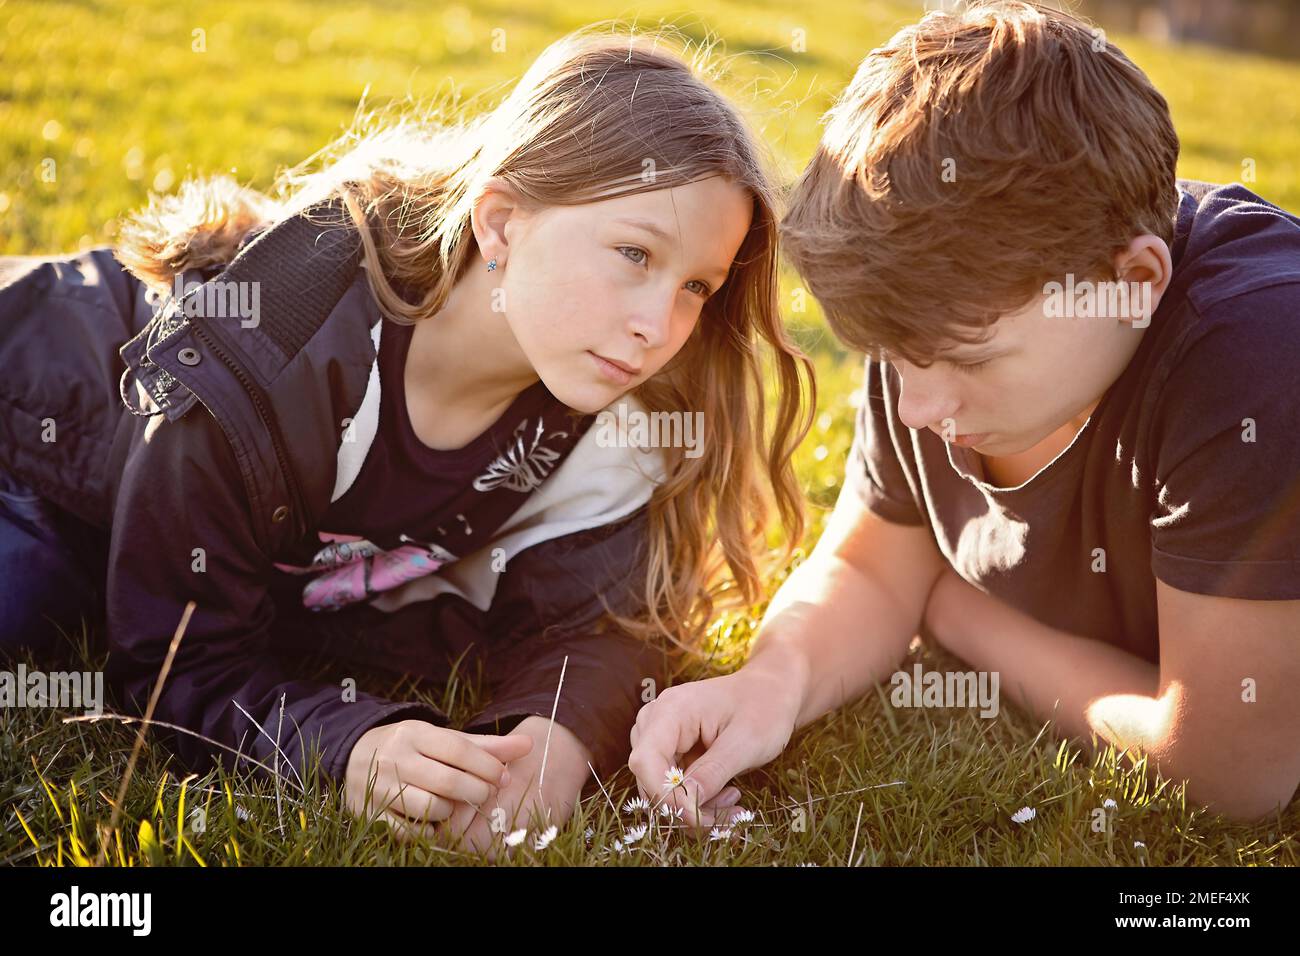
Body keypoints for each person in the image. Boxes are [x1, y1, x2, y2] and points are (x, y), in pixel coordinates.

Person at [0, 28, 813, 851]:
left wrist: (553, 742)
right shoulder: (265, 360)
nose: (658, 326)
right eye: (634, 253)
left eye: (696, 287)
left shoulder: (609, 415)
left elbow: (593, 627)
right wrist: (348, 746)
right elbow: (181, 666)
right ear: (501, 224)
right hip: (32, 442)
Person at [629, 1, 1299, 825]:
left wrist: (959, 614)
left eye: (970, 362)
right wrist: (772, 682)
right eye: (892, 360)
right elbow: (873, 569)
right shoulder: (927, 320)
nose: (915, 409)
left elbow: (1227, 770)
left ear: (1133, 284)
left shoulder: (1259, 358)